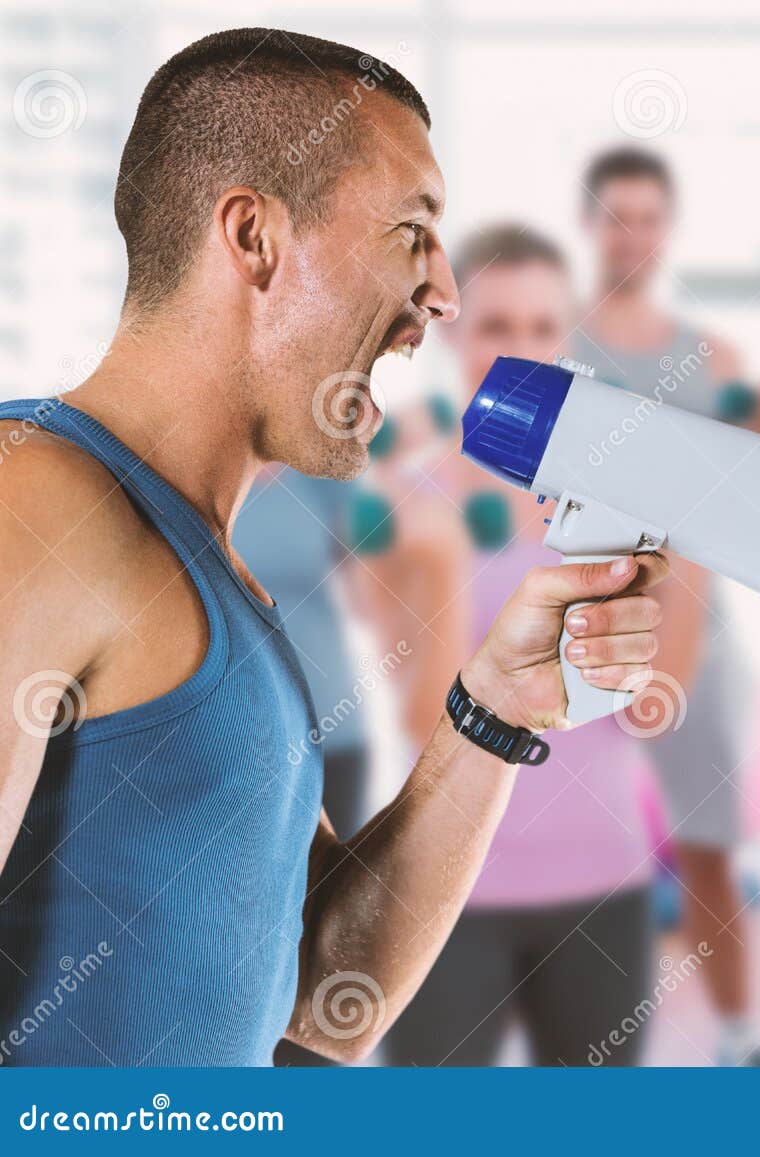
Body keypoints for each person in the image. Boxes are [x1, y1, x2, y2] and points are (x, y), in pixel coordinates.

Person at [0, 28, 665, 1066]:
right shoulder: (31, 502)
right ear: (254, 236)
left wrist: (493, 712)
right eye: (409, 229)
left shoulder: (212, 571)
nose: (440, 293)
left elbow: (315, 991)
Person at [373, 225, 661, 1066]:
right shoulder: (407, 502)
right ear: (456, 332)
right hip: (447, 889)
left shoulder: (620, 499)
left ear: (569, 338)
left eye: (543, 327)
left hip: (601, 878)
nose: (523, 349)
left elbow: (651, 708)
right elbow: (427, 719)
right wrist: (449, 561)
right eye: (497, 325)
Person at [568, 146, 760, 1065]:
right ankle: (564, 1038)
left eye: (648, 217)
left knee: (709, 842)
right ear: (590, 222)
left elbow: (737, 494)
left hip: (696, 629)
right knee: (566, 849)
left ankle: (736, 1037)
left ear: (669, 226)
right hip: (583, 620)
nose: (632, 235)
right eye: (616, 215)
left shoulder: (715, 357)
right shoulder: (553, 342)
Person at [231, 464, 376, 1067]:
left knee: (322, 932)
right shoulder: (186, 482)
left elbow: (377, 589)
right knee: (247, 935)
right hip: (243, 741)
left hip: (337, 733)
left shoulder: (325, 480)